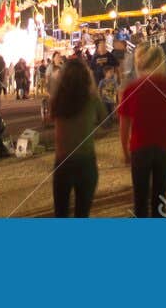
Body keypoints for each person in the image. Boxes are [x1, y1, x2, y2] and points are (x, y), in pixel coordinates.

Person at [117, 44, 166, 217]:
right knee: (160, 199)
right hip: (165, 148)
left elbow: (124, 125)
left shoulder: (131, 89)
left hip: (139, 148)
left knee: (140, 200)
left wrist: (125, 152)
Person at [49, 59, 106, 217]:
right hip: (86, 161)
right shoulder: (91, 99)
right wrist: (93, 88)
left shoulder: (57, 101)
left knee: (61, 214)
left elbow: (51, 117)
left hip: (62, 162)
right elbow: (106, 122)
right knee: (82, 213)